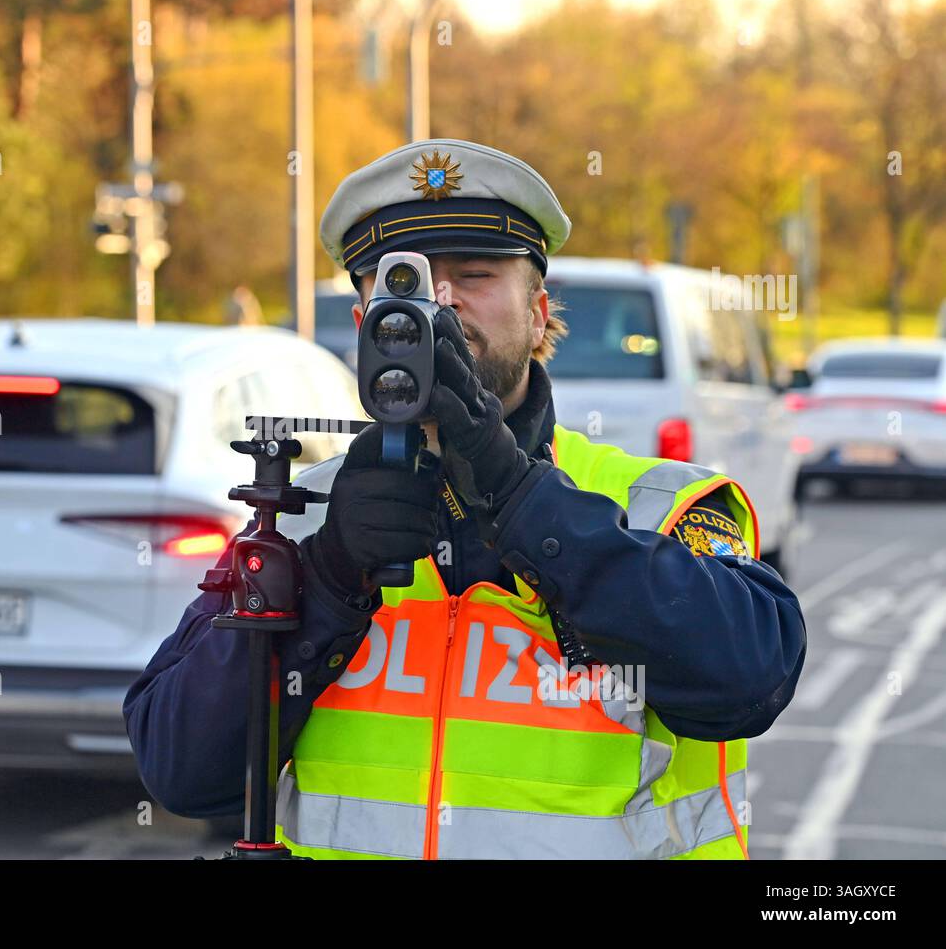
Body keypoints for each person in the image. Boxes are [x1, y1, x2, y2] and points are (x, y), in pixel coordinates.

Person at [124, 138, 806, 859]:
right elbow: (181, 769)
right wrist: (326, 577)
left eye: (474, 275)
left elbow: (749, 679)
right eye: (404, 283)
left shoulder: (657, 503)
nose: (439, 304)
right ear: (364, 328)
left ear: (540, 314)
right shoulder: (306, 516)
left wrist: (524, 499)